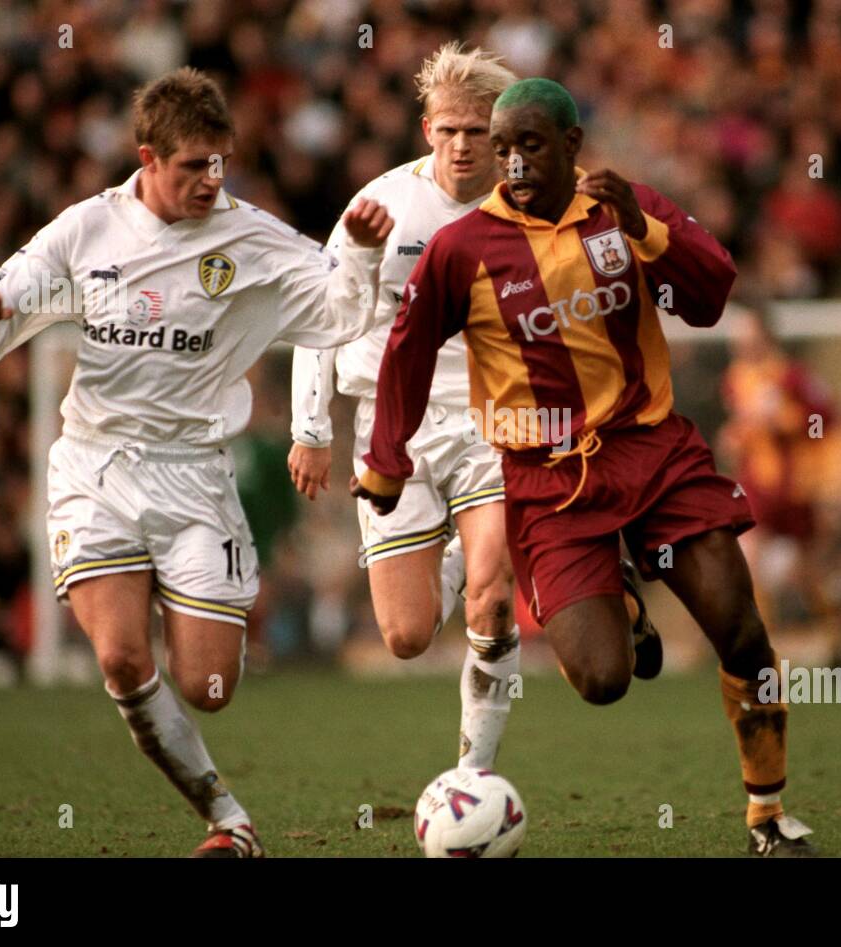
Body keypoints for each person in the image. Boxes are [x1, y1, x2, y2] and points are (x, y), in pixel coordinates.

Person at [0, 68, 392, 858]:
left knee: (208, 688)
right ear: (147, 157)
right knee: (118, 655)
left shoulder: (250, 235)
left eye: (221, 162)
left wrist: (356, 252)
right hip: (97, 467)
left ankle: (188, 594)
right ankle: (229, 819)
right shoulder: (87, 229)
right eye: (192, 166)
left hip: (195, 475)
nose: (211, 181)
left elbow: (339, 313)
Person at [353, 78, 815, 856]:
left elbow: (711, 295)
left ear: (571, 145)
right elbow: (406, 350)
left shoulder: (622, 209)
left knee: (741, 631)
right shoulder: (461, 248)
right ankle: (623, 605)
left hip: (654, 453)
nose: (512, 163)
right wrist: (385, 459)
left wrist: (645, 227)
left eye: (529, 145)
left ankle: (767, 815)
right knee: (601, 679)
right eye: (502, 149)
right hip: (548, 482)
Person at [288, 43, 523, 769]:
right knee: (406, 636)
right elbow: (318, 316)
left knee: (491, 600)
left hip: (494, 422)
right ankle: (455, 557)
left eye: (477, 131)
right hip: (396, 431)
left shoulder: (533, 207)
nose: (461, 144)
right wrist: (310, 428)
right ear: (427, 130)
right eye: (448, 129)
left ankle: (474, 775)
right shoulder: (383, 204)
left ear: (501, 135)